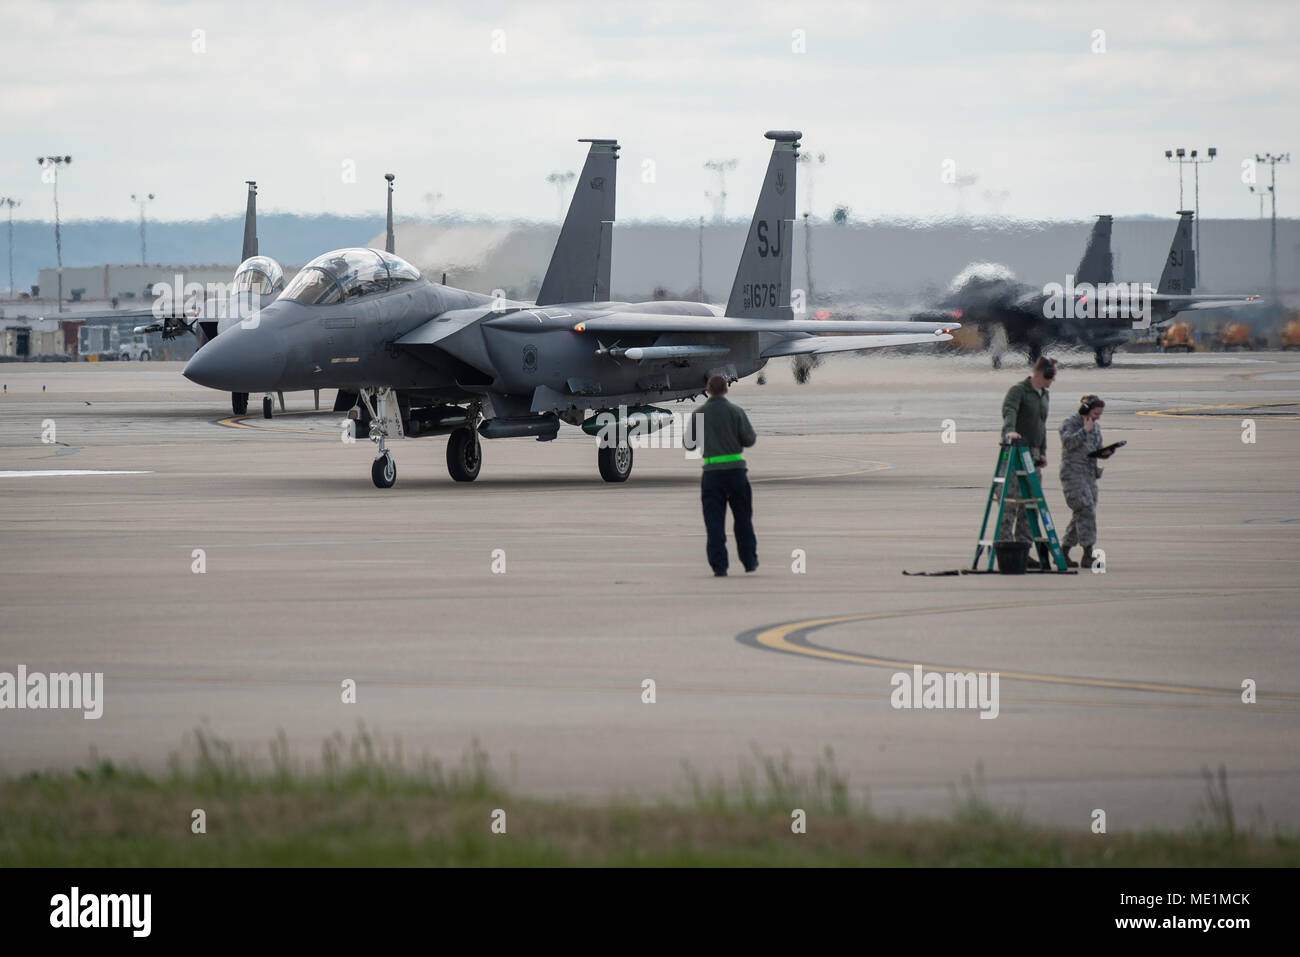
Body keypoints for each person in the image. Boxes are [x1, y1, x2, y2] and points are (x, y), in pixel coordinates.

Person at [694, 375, 758, 577]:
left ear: (707, 390)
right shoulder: (736, 411)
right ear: (726, 390)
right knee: (743, 520)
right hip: (737, 474)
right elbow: (749, 440)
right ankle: (749, 562)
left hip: (712, 475)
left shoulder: (699, 414)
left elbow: (689, 444)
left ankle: (719, 567)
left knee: (714, 523)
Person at [999, 356, 1056, 567]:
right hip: (1016, 450)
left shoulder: (1044, 395)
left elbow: (1042, 425)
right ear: (1043, 373)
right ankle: (1004, 546)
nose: (1053, 380)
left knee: (1030, 503)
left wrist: (1042, 451)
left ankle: (1023, 548)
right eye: (1052, 375)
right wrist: (1010, 431)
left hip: (1032, 453)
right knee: (1010, 502)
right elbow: (1009, 411)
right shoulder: (1019, 391)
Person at [1058, 394, 1114, 568]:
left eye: (1099, 414)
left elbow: (1096, 448)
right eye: (1096, 413)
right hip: (1073, 474)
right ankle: (1088, 553)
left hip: (1089, 475)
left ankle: (1064, 551)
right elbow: (1068, 443)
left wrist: (1104, 452)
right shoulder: (1071, 423)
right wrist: (1084, 430)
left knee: (1082, 513)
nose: (1097, 417)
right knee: (1086, 509)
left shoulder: (1095, 427)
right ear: (1086, 409)